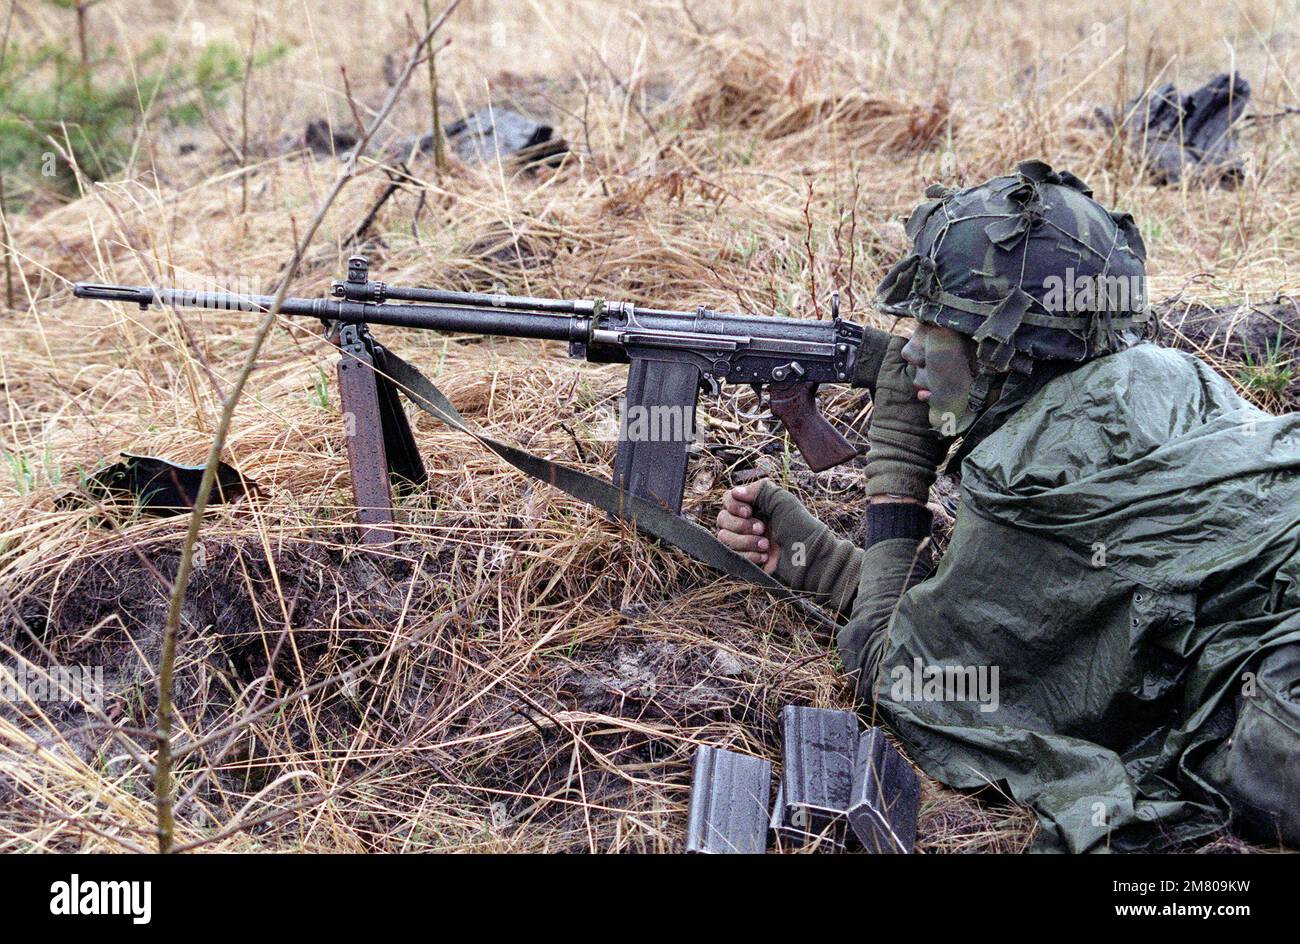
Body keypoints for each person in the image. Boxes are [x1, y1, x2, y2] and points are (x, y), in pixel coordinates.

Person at [717, 161, 1300, 852]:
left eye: (932, 325)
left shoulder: (1029, 478)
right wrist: (827, 564)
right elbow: (1070, 602)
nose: (908, 350)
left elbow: (896, 671)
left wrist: (898, 464)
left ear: (1001, 353)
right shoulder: (1173, 374)